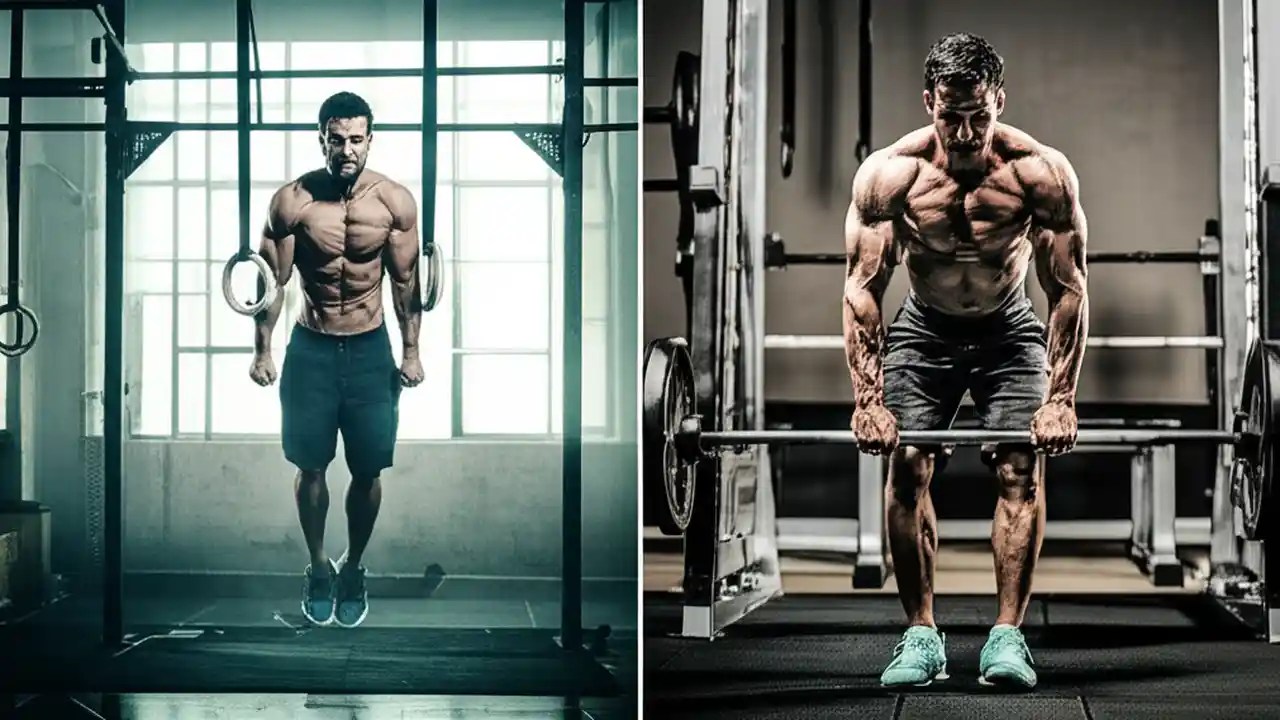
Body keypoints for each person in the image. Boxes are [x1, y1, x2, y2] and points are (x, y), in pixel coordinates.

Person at [842, 33, 1088, 690]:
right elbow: (862, 289)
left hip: (1010, 331)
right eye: (950, 115)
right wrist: (868, 400)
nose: (965, 131)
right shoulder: (891, 174)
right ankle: (920, 635)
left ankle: (1006, 637)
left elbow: (1066, 290)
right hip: (925, 332)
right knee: (907, 466)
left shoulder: (1039, 173)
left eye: (979, 114)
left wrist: (1060, 397)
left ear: (999, 100)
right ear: (929, 102)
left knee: (1019, 467)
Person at [248, 91, 425, 628]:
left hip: (371, 350)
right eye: (336, 138)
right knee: (311, 466)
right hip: (312, 348)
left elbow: (407, 283)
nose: (346, 149)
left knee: (368, 469)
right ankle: (320, 564)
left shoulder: (394, 202)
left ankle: (356, 567)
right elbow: (269, 282)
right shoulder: (292, 203)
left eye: (355, 139)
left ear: (370, 140)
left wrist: (413, 351)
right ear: (322, 138)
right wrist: (262, 349)